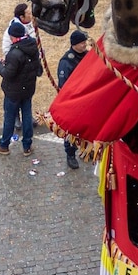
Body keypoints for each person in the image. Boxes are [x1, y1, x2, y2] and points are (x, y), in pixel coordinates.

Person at [0, 20, 42, 156]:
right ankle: (27, 146)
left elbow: (8, 74)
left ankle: (4, 145)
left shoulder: (14, 53)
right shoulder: (32, 46)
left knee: (9, 118)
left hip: (13, 91)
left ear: (13, 36)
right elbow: (36, 68)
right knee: (27, 116)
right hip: (28, 89)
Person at [56, 29, 89, 170]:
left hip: (87, 100)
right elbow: (63, 86)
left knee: (87, 127)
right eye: (82, 43)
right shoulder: (66, 62)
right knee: (71, 130)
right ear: (74, 44)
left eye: (85, 42)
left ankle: (86, 149)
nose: (84, 45)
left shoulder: (88, 56)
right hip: (74, 102)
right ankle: (70, 154)